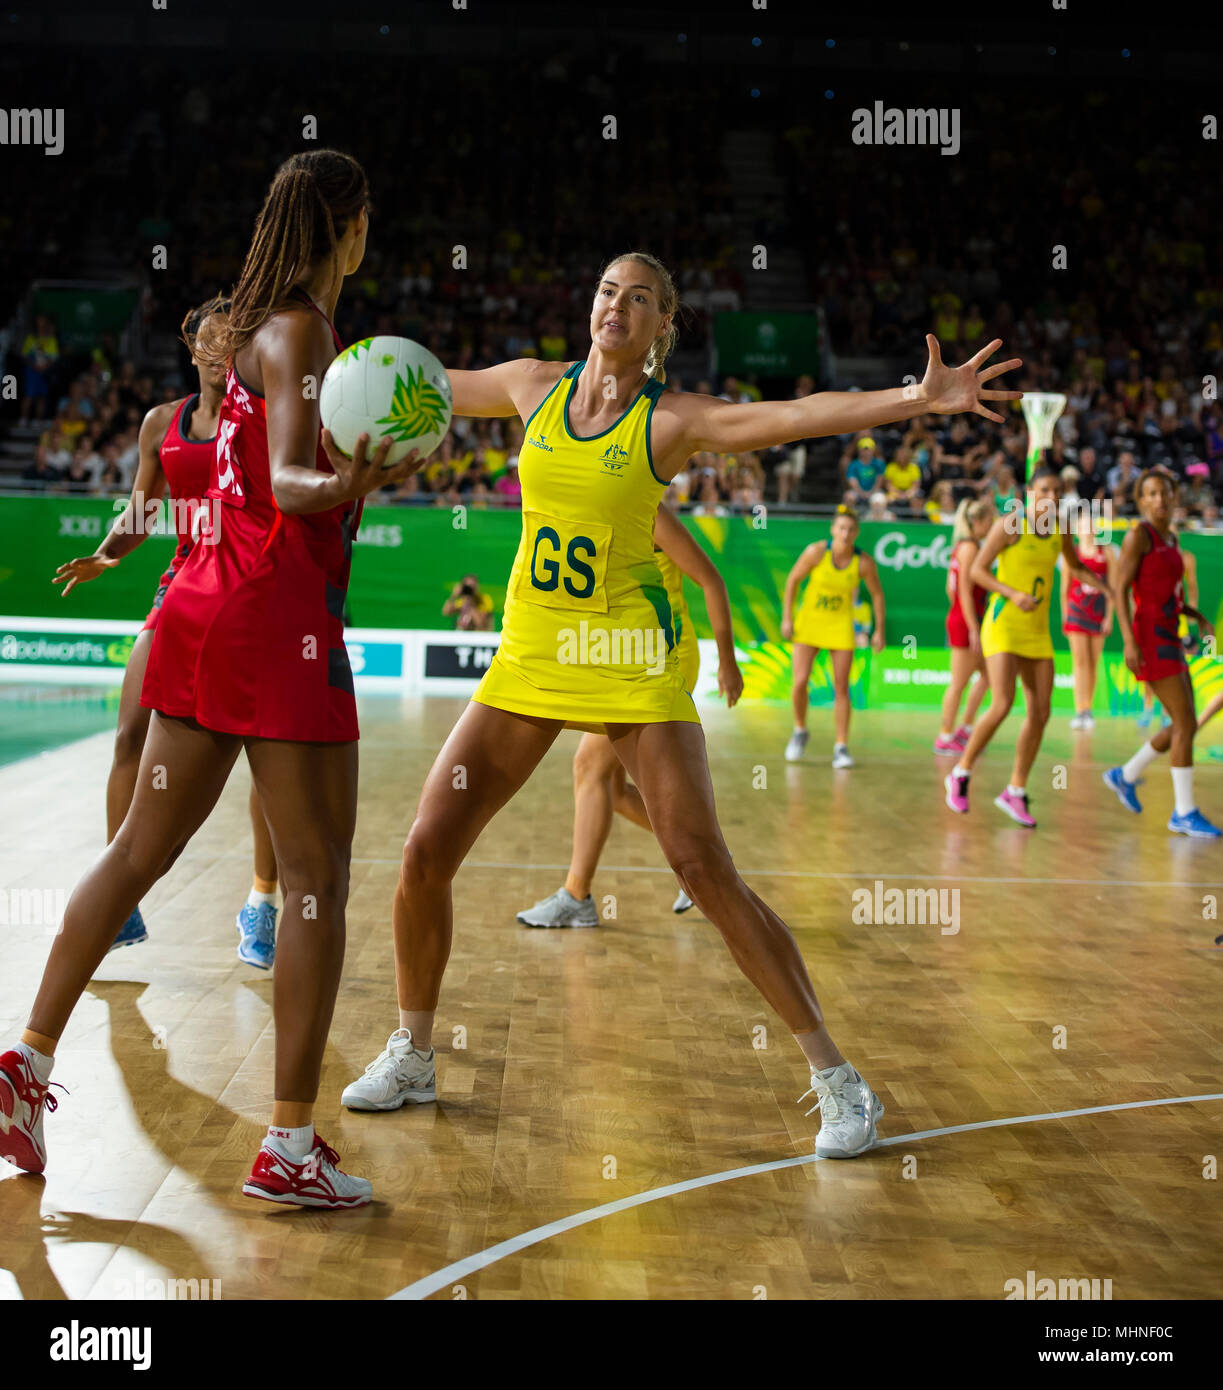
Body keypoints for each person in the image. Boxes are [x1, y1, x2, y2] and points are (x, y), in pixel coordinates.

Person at [338, 249, 1019, 1160]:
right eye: (607, 290)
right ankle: (415, 1052)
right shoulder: (528, 385)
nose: (617, 305)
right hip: (532, 654)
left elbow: (793, 416)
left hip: (628, 657)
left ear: (664, 326)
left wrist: (913, 400)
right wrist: (301, 368)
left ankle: (838, 1081)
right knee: (425, 849)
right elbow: (403, 381)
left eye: (641, 299)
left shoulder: (673, 421)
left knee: (701, 865)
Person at [0, 151, 421, 1205]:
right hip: (275, 623)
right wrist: (358, 477)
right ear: (351, 227)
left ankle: (25, 1061)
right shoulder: (307, 332)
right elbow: (287, 480)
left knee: (139, 849)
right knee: (318, 877)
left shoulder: (251, 329)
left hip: (198, 612)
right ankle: (288, 1145)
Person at [52, 298, 281, 965]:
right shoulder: (162, 424)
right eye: (208, 344)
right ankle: (119, 898)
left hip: (252, 601)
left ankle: (262, 902)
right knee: (129, 734)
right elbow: (141, 511)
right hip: (179, 588)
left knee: (262, 763)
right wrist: (106, 554)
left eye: (232, 343)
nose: (220, 354)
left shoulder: (267, 420)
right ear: (191, 352)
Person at [516, 503, 743, 926]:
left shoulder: (651, 512)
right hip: (618, 657)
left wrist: (727, 660)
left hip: (662, 658)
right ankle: (704, 861)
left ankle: (577, 897)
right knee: (612, 790)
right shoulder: (592, 511)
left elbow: (711, 581)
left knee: (589, 767)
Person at [943, 468, 1099, 826]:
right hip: (1003, 624)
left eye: (1057, 491)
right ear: (1030, 492)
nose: (1052, 497)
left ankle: (1015, 790)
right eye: (1044, 489)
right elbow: (978, 571)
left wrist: (1108, 589)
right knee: (1002, 702)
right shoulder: (1011, 524)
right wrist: (1012, 593)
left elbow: (1075, 567)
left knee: (1041, 712)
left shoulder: (1060, 529)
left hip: (1037, 631)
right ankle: (961, 772)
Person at [1102, 471, 1220, 836]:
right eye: (1151, 494)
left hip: (1170, 633)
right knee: (1186, 723)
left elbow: (1169, 595)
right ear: (1142, 501)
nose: (1159, 499)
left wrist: (1197, 617)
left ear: (1174, 497)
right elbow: (1120, 589)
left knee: (1181, 722)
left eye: (1165, 493)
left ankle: (1126, 774)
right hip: (1150, 638)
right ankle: (1183, 812)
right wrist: (1128, 640)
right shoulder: (1139, 535)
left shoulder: (1172, 536)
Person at [782, 506, 885, 768]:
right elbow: (793, 580)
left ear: (857, 532)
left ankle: (841, 746)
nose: (846, 533)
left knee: (841, 687)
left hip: (840, 626)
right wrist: (787, 617)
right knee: (800, 681)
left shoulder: (863, 563)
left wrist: (879, 631)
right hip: (810, 624)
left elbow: (877, 595)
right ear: (832, 530)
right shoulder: (816, 552)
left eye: (851, 529)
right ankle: (800, 730)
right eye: (841, 528)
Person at [934, 497, 995, 755]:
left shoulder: (962, 546)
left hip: (964, 618)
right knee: (958, 682)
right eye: (989, 522)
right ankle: (945, 735)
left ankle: (964, 729)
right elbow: (964, 592)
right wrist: (972, 627)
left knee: (989, 675)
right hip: (966, 622)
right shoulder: (970, 548)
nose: (992, 526)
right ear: (978, 522)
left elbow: (950, 591)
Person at [1060, 509, 1117, 730]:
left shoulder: (1107, 552)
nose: (1088, 529)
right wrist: (1066, 615)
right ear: (1076, 530)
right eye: (1083, 525)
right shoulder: (1071, 554)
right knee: (1080, 662)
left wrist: (1109, 617)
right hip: (1076, 613)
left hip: (1099, 613)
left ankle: (1088, 708)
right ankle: (1080, 709)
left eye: (1091, 524)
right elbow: (1064, 589)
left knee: (1093, 663)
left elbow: (1112, 588)